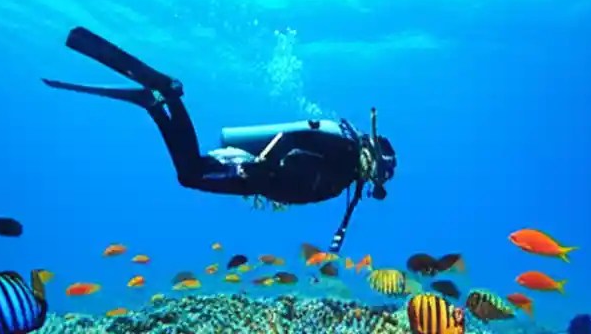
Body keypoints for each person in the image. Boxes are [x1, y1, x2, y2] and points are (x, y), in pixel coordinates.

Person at [42, 26, 396, 254]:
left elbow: (302, 178)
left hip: (258, 179)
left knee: (190, 172)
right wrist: (262, 167)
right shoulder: (344, 151)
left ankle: (157, 103)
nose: (373, 180)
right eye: (379, 173)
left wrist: (270, 187)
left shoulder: (346, 174)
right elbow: (293, 139)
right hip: (254, 171)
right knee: (190, 173)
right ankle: (166, 96)